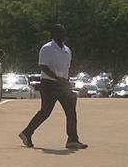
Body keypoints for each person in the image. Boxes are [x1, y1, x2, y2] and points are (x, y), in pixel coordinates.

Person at [20, 22, 86, 150]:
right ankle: (27, 133)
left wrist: (66, 82)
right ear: (54, 34)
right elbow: (43, 66)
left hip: (63, 85)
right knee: (45, 112)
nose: (63, 35)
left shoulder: (67, 50)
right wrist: (57, 78)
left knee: (71, 110)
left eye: (64, 33)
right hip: (49, 84)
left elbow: (67, 68)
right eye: (60, 33)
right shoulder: (47, 48)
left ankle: (72, 140)